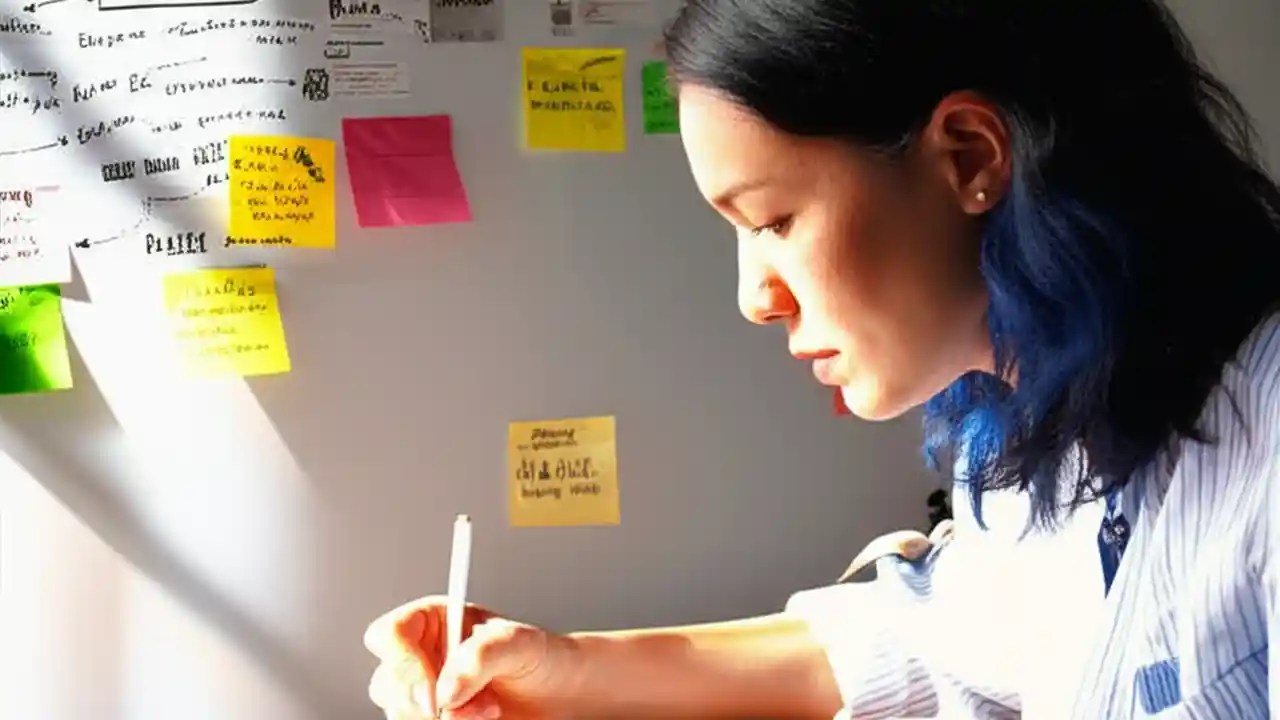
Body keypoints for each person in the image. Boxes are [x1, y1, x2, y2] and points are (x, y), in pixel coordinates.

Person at [365, 0, 1280, 717]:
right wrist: (562, 669)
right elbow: (934, 639)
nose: (754, 297)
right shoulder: (1031, 442)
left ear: (970, 155)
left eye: (772, 222)